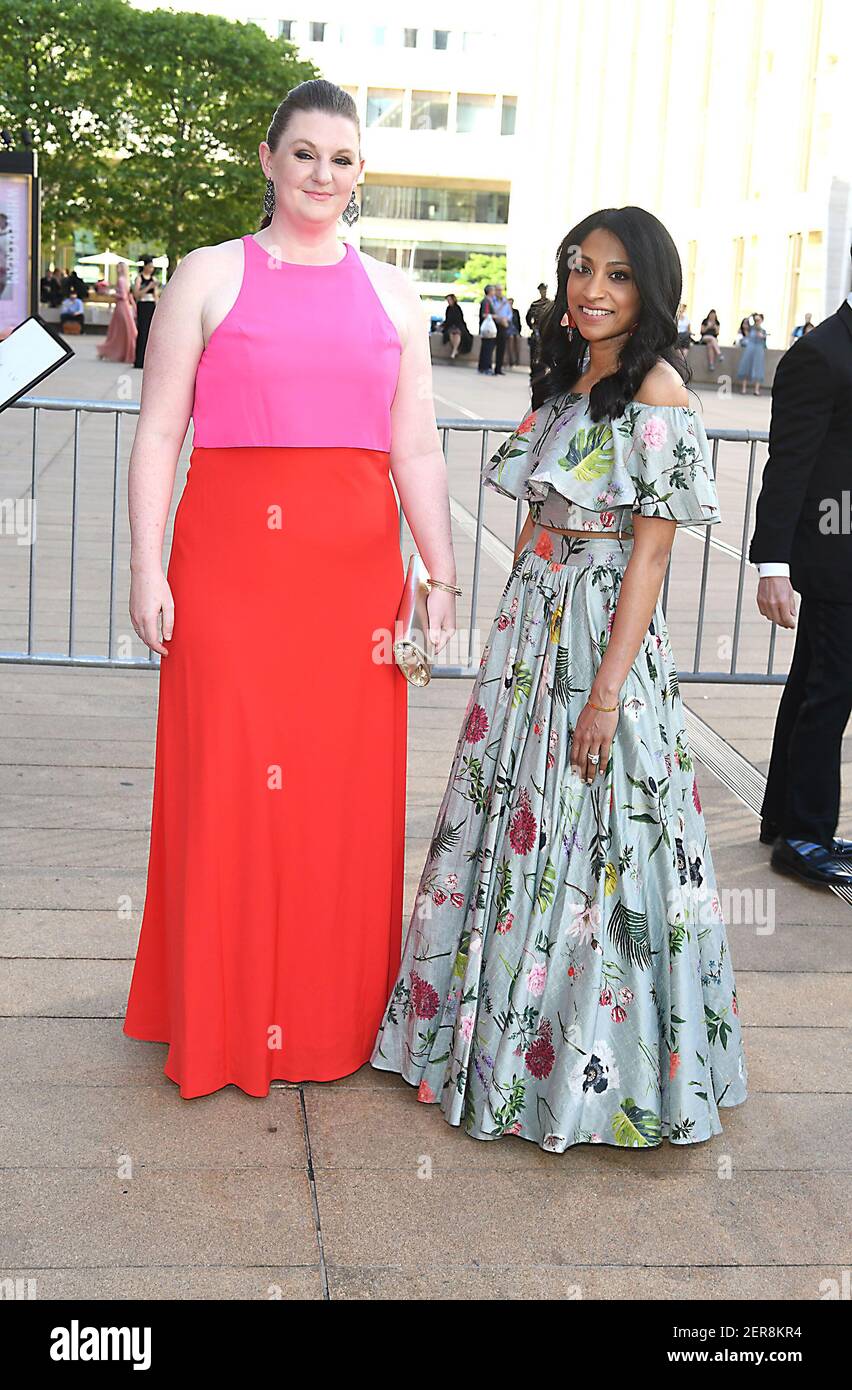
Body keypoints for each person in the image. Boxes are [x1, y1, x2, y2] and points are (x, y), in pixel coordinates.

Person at [371, 206, 748, 1152]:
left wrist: (609, 691)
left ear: (649, 287)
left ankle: (595, 1073)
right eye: (582, 269)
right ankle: (489, 1041)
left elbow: (650, 563)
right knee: (512, 823)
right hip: (529, 633)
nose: (591, 289)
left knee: (602, 841)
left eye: (617, 275)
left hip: (597, 644)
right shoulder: (573, 376)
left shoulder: (660, 392)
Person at [122, 78, 458, 1098]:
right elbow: (160, 434)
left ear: (362, 175)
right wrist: (146, 566)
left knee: (340, 799)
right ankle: (221, 1017)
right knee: (230, 781)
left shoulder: (396, 292)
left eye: (343, 158)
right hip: (228, 572)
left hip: (355, 582)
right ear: (269, 158)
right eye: (305, 152)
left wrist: (439, 573)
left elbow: (417, 447)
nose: (323, 174)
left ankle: (326, 1020)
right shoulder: (207, 275)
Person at [748, 251, 852, 887]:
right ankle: (806, 837)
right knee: (831, 694)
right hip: (834, 556)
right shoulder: (823, 353)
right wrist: (773, 562)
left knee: (814, 682)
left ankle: (785, 815)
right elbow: (787, 465)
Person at [96, 260, 138, 364]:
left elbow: (123, 296)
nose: (117, 269)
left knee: (118, 331)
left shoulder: (121, 280)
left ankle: (113, 351)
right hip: (125, 307)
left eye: (118, 267)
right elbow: (128, 296)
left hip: (121, 306)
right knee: (126, 331)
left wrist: (110, 294)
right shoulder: (126, 280)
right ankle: (126, 352)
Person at [132, 255, 160, 368]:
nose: (151, 269)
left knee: (149, 332)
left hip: (151, 305)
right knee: (142, 331)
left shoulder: (153, 280)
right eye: (149, 267)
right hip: (142, 304)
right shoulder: (139, 278)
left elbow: (156, 295)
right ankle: (139, 360)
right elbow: (137, 294)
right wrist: (148, 287)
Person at [526, 281, 552, 387]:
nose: (543, 292)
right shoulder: (535, 304)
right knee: (534, 356)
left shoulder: (550, 304)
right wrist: (532, 326)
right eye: (541, 290)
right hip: (537, 331)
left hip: (547, 333)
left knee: (545, 356)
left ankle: (543, 377)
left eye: (544, 290)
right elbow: (528, 318)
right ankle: (534, 376)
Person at [736, 312, 767, 395]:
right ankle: (744, 388)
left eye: (758, 320)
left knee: (758, 368)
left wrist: (762, 336)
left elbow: (764, 340)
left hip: (758, 349)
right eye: (756, 320)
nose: (757, 321)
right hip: (750, 348)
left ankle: (756, 390)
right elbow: (746, 323)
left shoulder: (763, 331)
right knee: (746, 366)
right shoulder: (750, 329)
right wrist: (752, 316)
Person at [489, 282, 513, 375]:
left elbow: (509, 313)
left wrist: (506, 319)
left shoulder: (505, 301)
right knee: (491, 347)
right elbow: (494, 311)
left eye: (501, 290)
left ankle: (498, 368)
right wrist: (500, 317)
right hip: (495, 324)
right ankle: (489, 367)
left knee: (501, 347)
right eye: (498, 290)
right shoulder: (492, 300)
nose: (500, 292)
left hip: (503, 325)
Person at [441, 292, 471, 358]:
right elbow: (448, 319)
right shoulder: (448, 309)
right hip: (451, 326)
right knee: (451, 334)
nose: (448, 302)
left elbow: (459, 319)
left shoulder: (457, 308)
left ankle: (454, 350)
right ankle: (455, 350)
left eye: (450, 300)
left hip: (459, 325)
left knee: (457, 333)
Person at [478, 284, 497, 374]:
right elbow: (485, 314)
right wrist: (495, 316)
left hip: (486, 329)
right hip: (488, 329)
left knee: (486, 347)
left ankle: (482, 367)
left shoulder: (488, 301)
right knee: (487, 348)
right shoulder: (486, 301)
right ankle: (486, 367)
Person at [504, 296, 521, 367]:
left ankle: (517, 359)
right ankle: (511, 360)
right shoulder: (505, 312)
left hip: (515, 329)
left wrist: (519, 331)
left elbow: (518, 322)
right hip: (508, 329)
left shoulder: (515, 311)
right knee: (510, 339)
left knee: (517, 339)